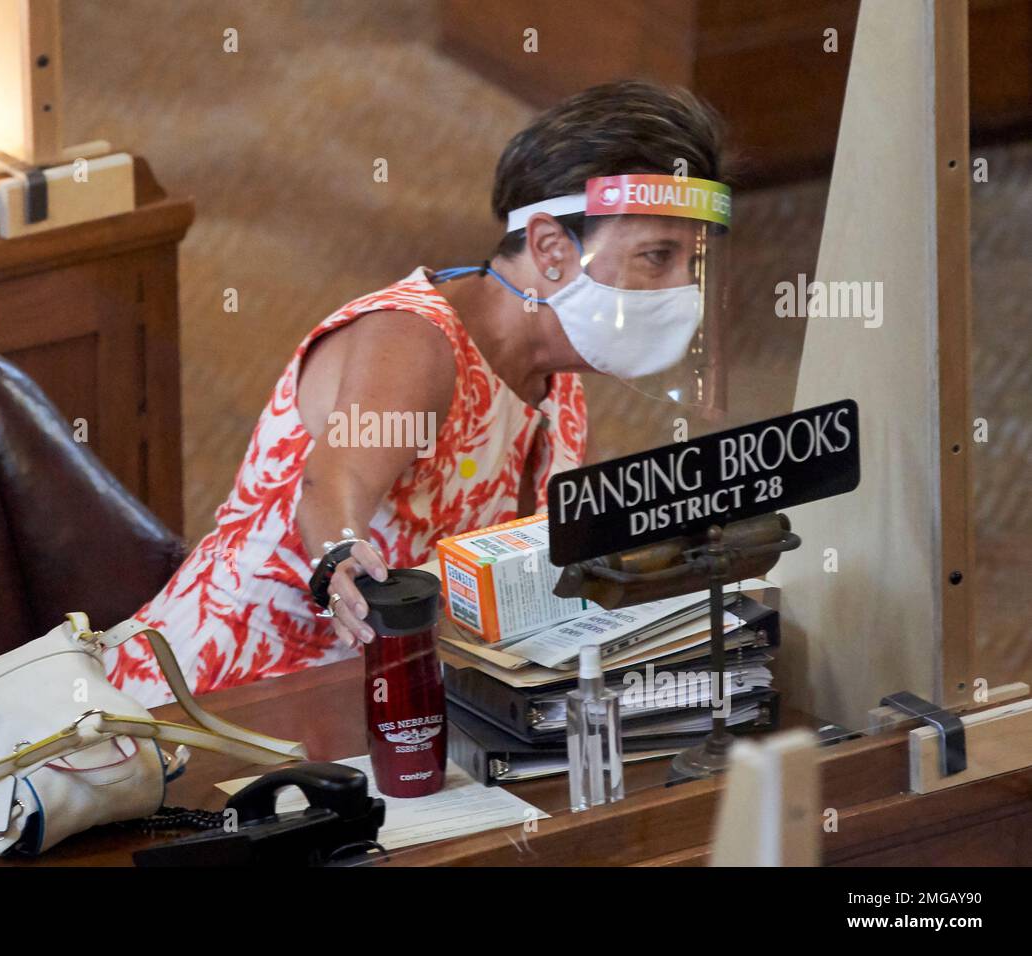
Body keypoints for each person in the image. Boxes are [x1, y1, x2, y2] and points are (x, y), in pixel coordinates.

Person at [108, 79, 728, 706]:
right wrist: (341, 551)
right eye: (658, 256)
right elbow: (335, 480)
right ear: (549, 247)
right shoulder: (416, 341)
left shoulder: (559, 384)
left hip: (392, 699)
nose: (685, 289)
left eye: (693, 261)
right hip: (214, 704)